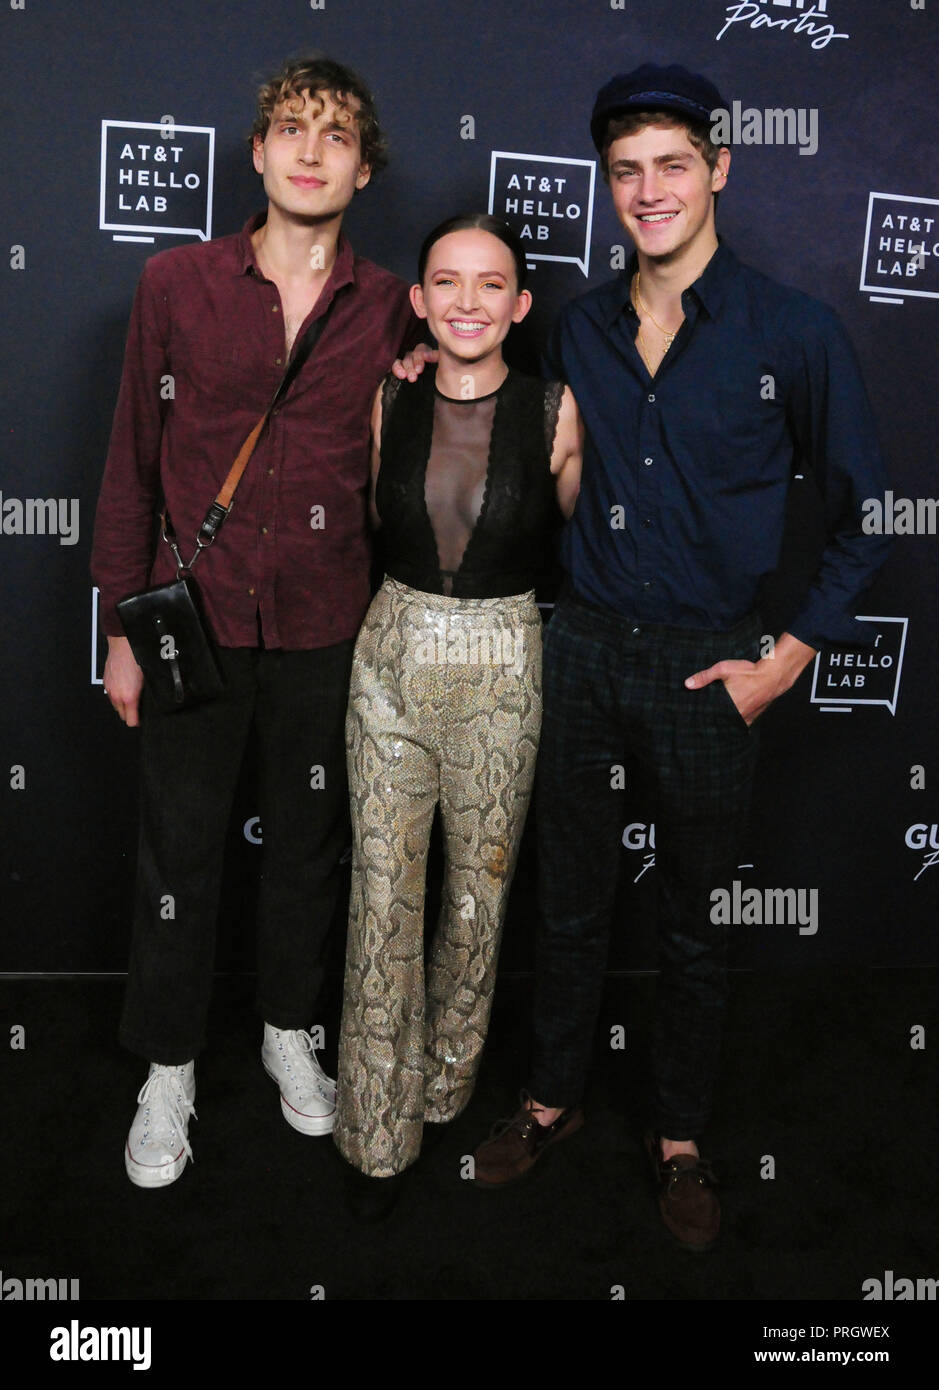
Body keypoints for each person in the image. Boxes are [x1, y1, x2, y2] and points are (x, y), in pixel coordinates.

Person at [465, 64, 891, 1252]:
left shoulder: (793, 331)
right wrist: (421, 376)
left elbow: (868, 514)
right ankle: (551, 1099)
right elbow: (510, 419)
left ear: (720, 168)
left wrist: (785, 658)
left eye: (672, 166)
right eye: (626, 173)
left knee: (699, 923)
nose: (648, 192)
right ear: (609, 188)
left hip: (714, 666)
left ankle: (682, 1138)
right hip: (586, 649)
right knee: (570, 906)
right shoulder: (579, 324)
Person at [91, 54, 424, 1187]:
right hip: (195, 620)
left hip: (331, 625)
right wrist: (120, 629)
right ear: (259, 151)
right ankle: (168, 1067)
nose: (310, 150)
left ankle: (291, 1031)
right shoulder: (174, 286)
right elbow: (134, 458)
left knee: (309, 848)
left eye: (335, 135)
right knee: (178, 851)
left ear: (363, 168)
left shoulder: (389, 303)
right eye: (292, 128)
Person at [332, 214, 582, 1218]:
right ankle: (377, 1120)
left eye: (492, 285)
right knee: (384, 895)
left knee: (477, 902)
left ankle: (447, 1081)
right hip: (392, 652)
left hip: (505, 659)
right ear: (421, 301)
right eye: (448, 282)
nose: (469, 302)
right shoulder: (387, 399)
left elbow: (595, 547)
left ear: (521, 305)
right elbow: (364, 526)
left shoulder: (557, 411)